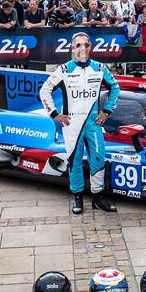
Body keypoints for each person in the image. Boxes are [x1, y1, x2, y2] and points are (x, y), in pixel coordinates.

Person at [38, 31, 120, 215]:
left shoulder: (100, 68)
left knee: (98, 158)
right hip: (72, 124)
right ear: (73, 48)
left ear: (90, 47)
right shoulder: (64, 69)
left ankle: (98, 198)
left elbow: (115, 87)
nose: (82, 48)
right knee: (74, 161)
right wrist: (54, 114)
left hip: (93, 124)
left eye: (86, 45)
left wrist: (106, 111)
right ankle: (78, 197)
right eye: (78, 45)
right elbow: (44, 90)